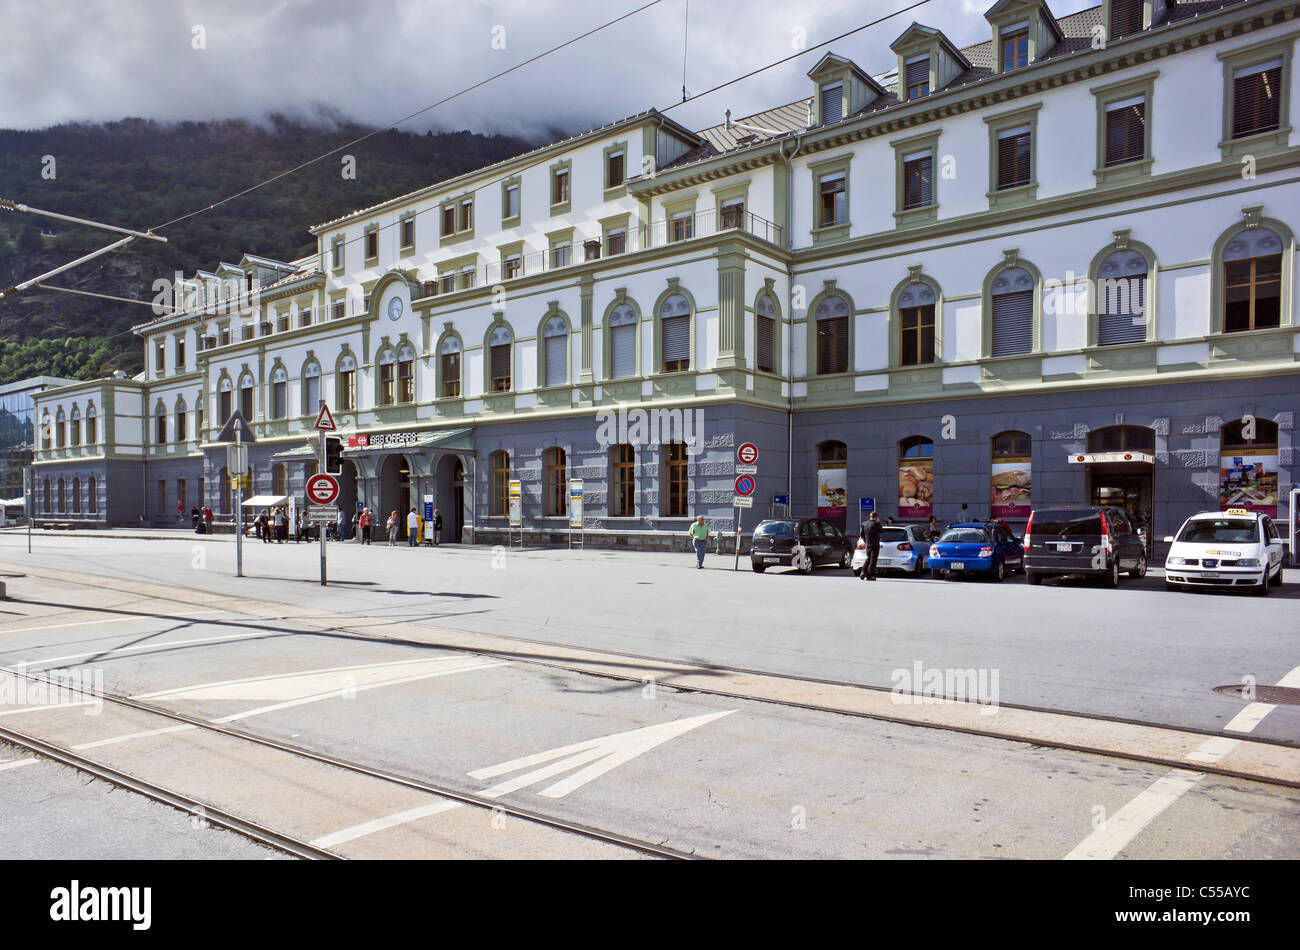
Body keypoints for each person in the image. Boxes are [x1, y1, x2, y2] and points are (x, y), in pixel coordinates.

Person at [861, 511, 882, 581]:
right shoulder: (876, 524)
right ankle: (870, 576)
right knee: (873, 560)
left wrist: (866, 541)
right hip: (875, 544)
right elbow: (881, 531)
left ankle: (863, 571)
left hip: (868, 544)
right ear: (876, 517)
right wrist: (878, 522)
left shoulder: (864, 523)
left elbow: (861, 534)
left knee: (868, 558)